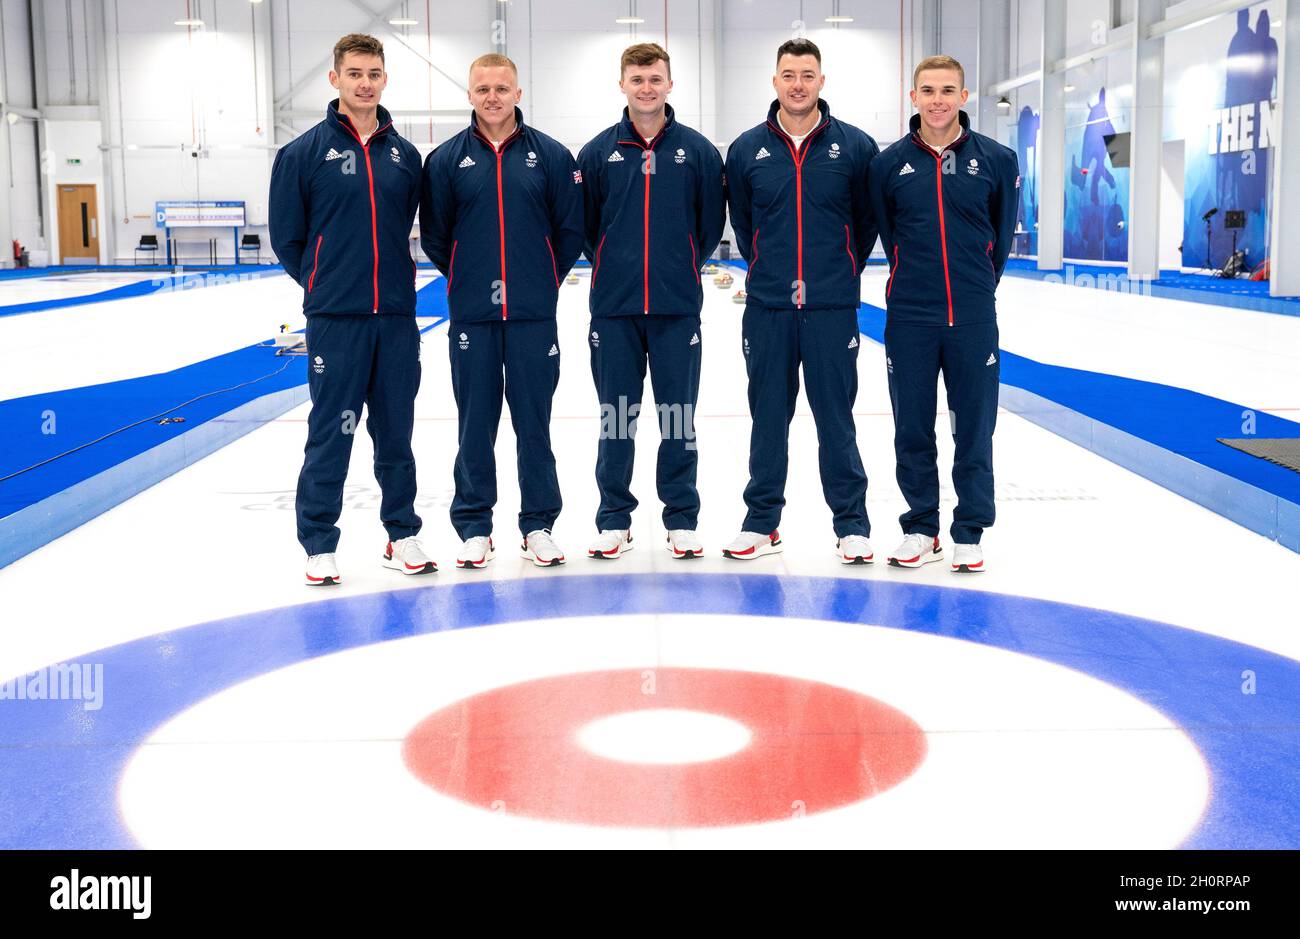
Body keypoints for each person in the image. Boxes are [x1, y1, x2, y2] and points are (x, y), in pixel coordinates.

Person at [269, 33, 433, 586]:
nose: (365, 83)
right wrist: (326, 286)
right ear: (335, 78)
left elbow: (415, 228)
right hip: (336, 321)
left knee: (396, 432)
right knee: (330, 432)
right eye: (355, 73)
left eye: (374, 73)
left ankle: (402, 533)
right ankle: (319, 542)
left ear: (384, 80)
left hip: (394, 319)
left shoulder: (405, 157)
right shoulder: (302, 154)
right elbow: (288, 238)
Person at [420, 53, 584, 569]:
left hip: (533, 316)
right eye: (483, 88)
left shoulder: (553, 157)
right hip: (473, 317)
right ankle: (474, 526)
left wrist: (537, 281)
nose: (493, 96)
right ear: (470, 94)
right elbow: (437, 238)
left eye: (503, 88)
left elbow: (569, 233)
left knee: (534, 423)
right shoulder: (445, 162)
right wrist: (471, 280)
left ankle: (538, 524)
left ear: (518, 93)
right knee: (475, 423)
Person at [722, 38, 879, 564]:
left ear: (821, 82)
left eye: (807, 75)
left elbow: (866, 222)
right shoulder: (747, 149)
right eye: (788, 75)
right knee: (768, 416)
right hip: (768, 307)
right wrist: (768, 270)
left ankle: (852, 524)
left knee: (836, 416)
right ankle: (761, 522)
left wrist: (839, 272)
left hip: (832, 308)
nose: (797, 84)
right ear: (775, 82)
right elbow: (746, 226)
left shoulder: (855, 147)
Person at [867, 55, 1019, 572]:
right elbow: (887, 235)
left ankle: (970, 529)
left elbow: (999, 240)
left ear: (965, 96)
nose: (938, 100)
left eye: (947, 90)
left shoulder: (996, 159)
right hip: (909, 314)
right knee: (912, 426)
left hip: (973, 315)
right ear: (913, 98)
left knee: (973, 427)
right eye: (928, 90)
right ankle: (921, 527)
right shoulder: (887, 165)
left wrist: (976, 285)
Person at [576, 42, 725, 560]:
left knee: (677, 416)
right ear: (623, 84)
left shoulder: (699, 152)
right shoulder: (597, 153)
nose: (646, 88)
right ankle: (614, 518)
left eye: (655, 79)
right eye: (637, 79)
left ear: (669, 83)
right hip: (614, 310)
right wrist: (618, 266)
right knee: (617, 415)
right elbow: (586, 227)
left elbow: (708, 226)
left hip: (676, 307)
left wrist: (675, 264)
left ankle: (681, 517)